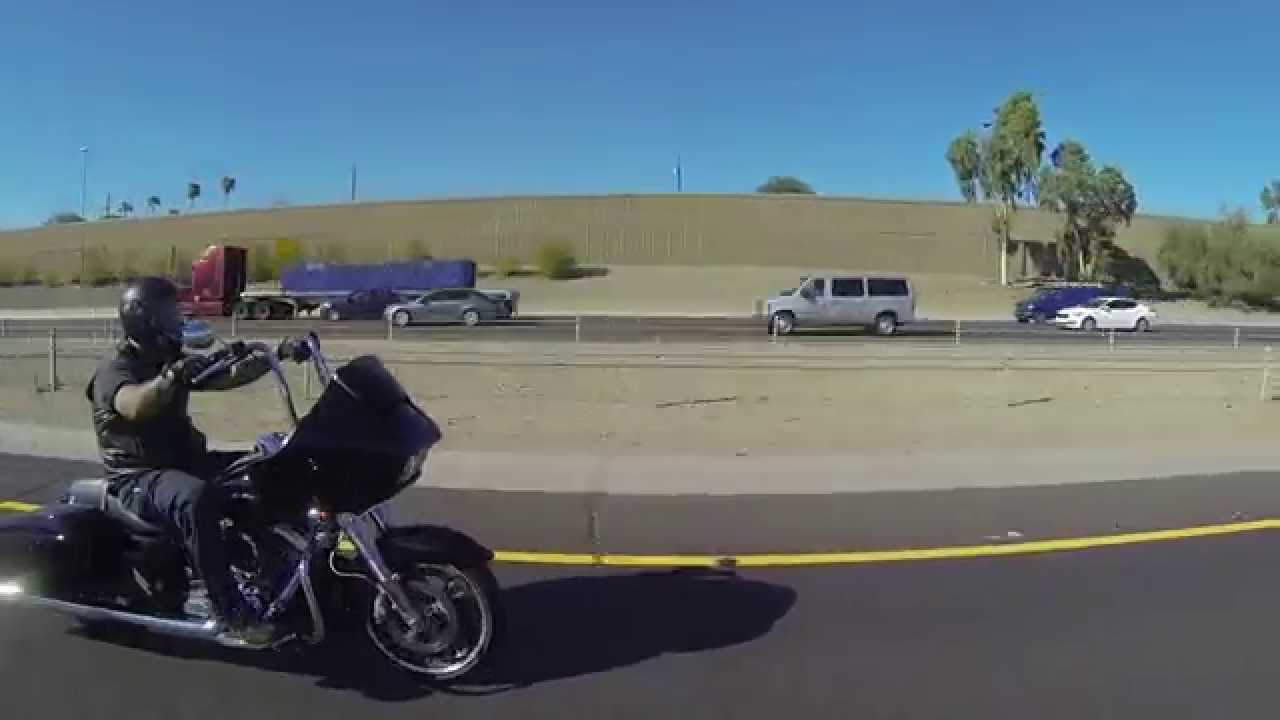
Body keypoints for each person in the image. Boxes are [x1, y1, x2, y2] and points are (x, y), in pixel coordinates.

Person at [85, 276, 300, 646]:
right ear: (144, 318)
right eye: (169, 313)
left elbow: (226, 378)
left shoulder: (168, 359)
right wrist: (169, 378)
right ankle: (232, 612)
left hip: (185, 461)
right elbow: (133, 404)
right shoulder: (115, 370)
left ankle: (278, 572)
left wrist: (274, 354)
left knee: (266, 469)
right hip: (139, 475)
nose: (177, 320)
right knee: (195, 499)